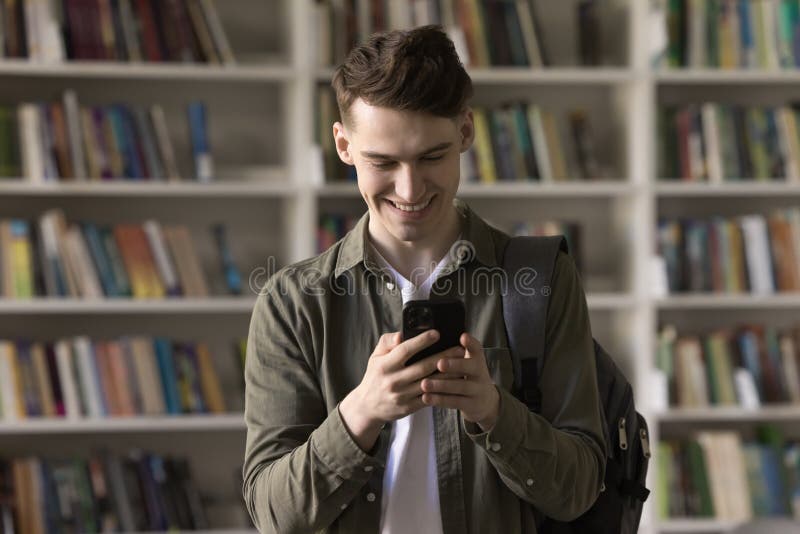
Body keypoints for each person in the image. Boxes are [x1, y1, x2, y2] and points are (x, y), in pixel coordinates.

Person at [242, 25, 606, 534]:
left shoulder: (540, 279)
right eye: (382, 162)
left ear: (464, 132)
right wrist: (361, 414)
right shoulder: (292, 302)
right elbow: (273, 515)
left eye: (432, 156)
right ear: (344, 146)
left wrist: (494, 413)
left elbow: (581, 488)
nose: (409, 189)